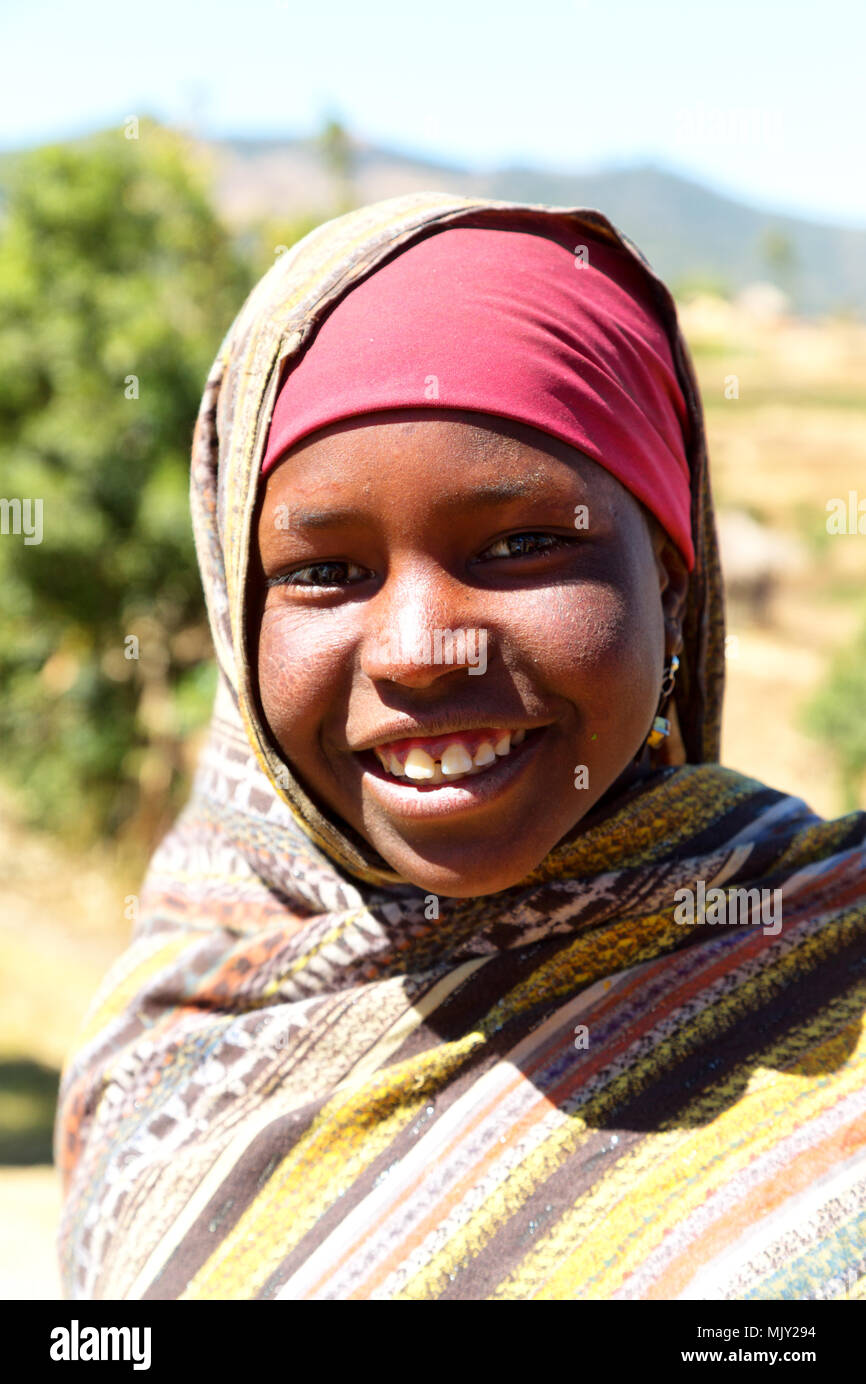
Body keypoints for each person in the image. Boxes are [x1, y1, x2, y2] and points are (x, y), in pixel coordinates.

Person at [54, 192, 866, 1301]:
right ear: (240, 619)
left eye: (522, 543)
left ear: (668, 585)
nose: (419, 652)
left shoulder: (827, 966)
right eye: (323, 571)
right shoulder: (173, 1044)